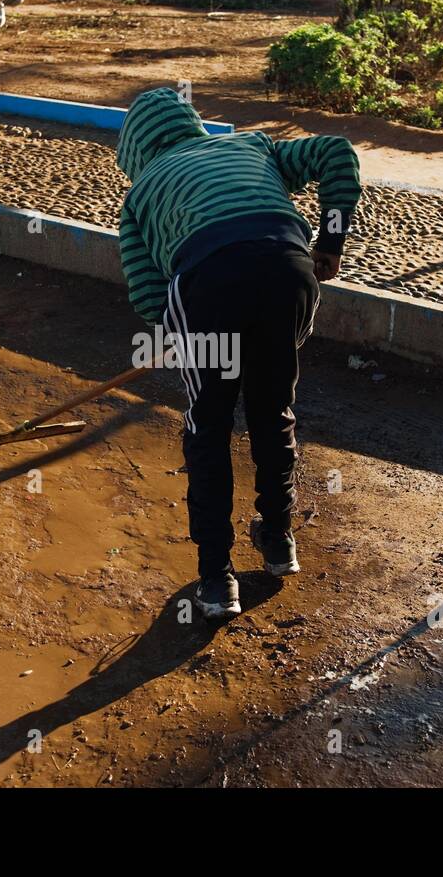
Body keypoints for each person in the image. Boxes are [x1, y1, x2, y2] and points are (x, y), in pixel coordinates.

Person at [115, 88, 361, 620]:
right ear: (193, 123)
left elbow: (148, 297)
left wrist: (188, 337)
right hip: (287, 272)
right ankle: (277, 541)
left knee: (209, 427)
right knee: (272, 411)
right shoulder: (253, 146)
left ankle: (216, 580)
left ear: (133, 151)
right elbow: (337, 152)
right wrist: (331, 243)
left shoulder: (137, 200)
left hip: (210, 287)